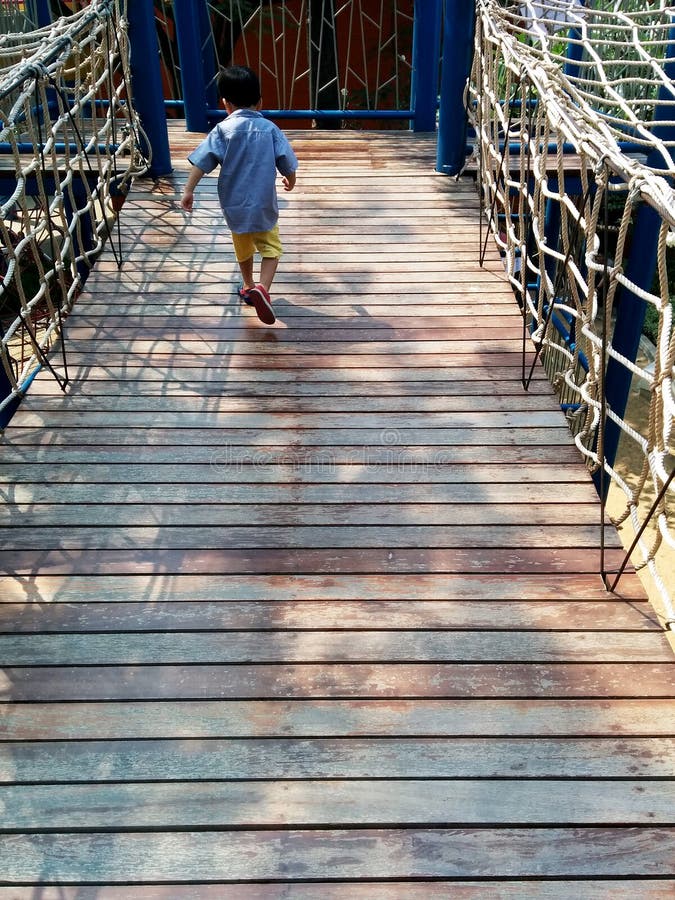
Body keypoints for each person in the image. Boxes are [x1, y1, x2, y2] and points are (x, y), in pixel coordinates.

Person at [180, 66, 298, 325]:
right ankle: (262, 289)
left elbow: (202, 161)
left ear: (226, 104)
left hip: (234, 206)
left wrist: (189, 190)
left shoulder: (223, 130)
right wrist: (291, 178)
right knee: (272, 249)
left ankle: (247, 286)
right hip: (263, 204)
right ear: (260, 102)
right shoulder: (269, 129)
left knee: (243, 248)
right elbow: (286, 161)